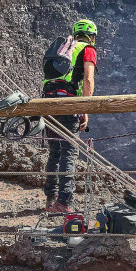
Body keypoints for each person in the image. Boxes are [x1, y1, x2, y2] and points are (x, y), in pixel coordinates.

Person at [42, 19, 98, 213]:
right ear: (92, 37)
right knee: (69, 152)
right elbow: (88, 80)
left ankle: (50, 199)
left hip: (47, 102)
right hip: (68, 103)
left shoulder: (63, 48)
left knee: (55, 151)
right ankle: (64, 202)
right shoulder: (88, 49)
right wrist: (85, 110)